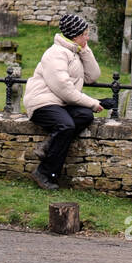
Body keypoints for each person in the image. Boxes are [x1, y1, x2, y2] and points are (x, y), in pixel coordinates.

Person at [24, 12, 105, 191]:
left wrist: (85, 50)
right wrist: (92, 102)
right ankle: (44, 173)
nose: (88, 37)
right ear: (75, 35)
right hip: (41, 102)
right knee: (66, 125)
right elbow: (64, 89)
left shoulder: (75, 51)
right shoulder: (55, 54)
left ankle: (48, 145)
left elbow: (93, 76)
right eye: (85, 34)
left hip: (60, 103)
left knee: (85, 116)